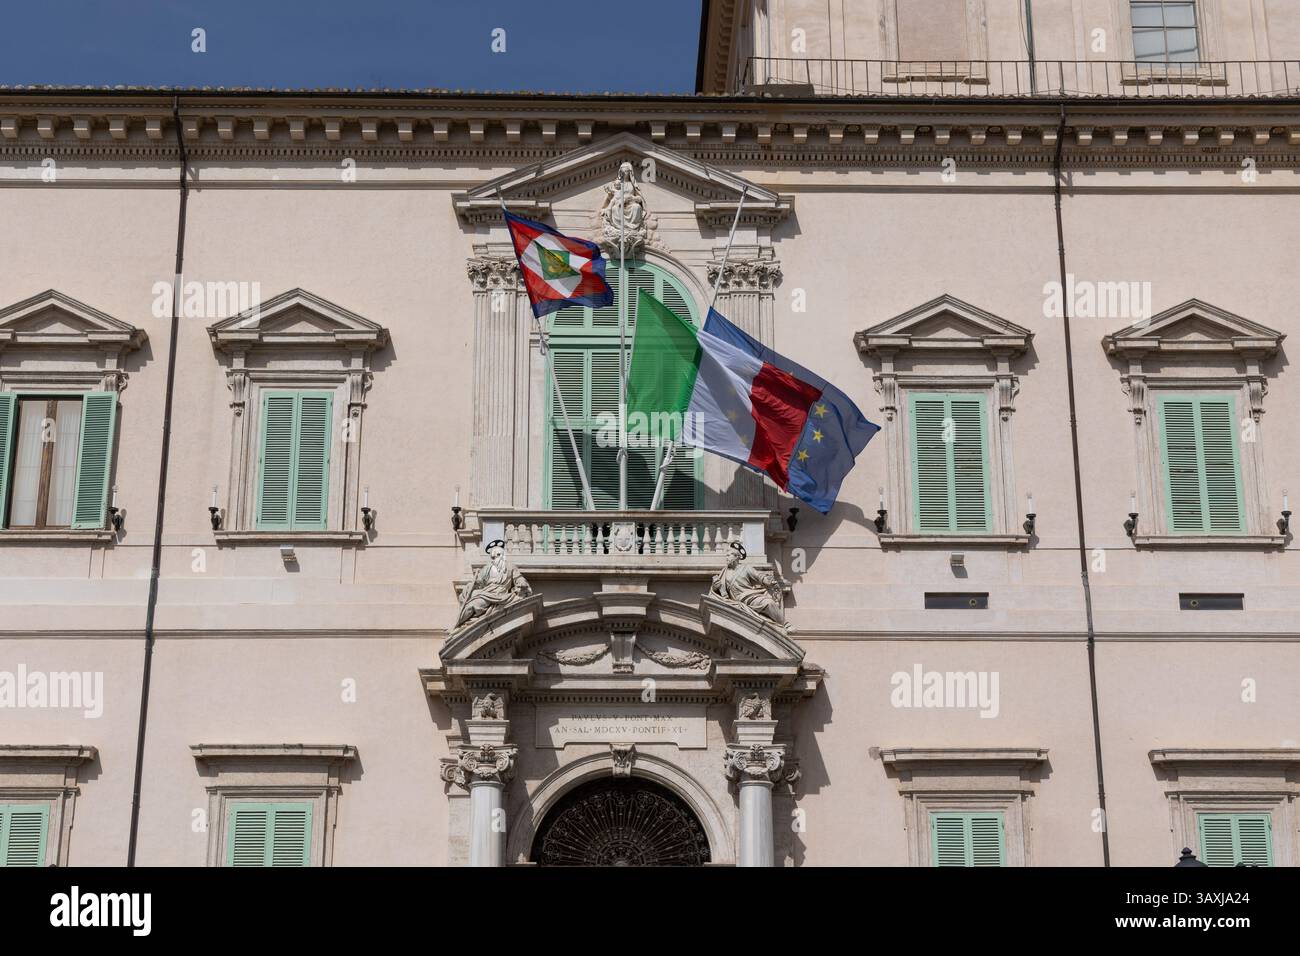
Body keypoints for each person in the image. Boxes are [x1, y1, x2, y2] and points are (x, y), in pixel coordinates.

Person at [455, 540, 532, 628]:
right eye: (495, 556)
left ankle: (462, 622)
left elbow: (519, 578)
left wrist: (522, 583)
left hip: (501, 593)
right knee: (471, 602)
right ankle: (460, 624)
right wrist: (471, 585)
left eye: (499, 555)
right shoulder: (487, 568)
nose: (497, 558)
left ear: (503, 555)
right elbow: (479, 582)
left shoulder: (510, 567)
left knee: (476, 604)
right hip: (487, 592)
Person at [709, 542, 786, 626]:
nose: (726, 558)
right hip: (734, 600)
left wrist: (768, 581)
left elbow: (759, 576)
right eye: (726, 556)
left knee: (769, 603)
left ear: (737, 557)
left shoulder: (746, 568)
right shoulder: (724, 571)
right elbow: (716, 590)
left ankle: (784, 624)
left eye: (729, 555)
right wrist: (715, 587)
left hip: (749, 597)